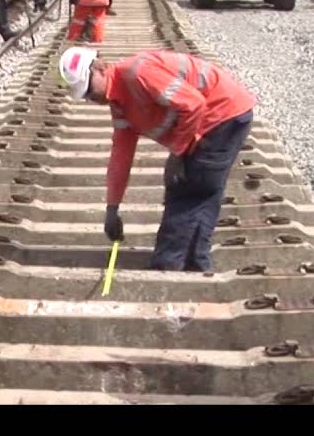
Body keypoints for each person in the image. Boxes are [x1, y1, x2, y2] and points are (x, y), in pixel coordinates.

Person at [58, 46, 256, 272]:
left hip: (222, 115)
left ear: (100, 68)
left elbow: (194, 105)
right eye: (84, 95)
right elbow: (120, 157)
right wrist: (112, 209)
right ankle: (193, 267)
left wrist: (178, 151)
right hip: (212, 120)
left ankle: (171, 266)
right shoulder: (120, 104)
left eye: (88, 90)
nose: (89, 98)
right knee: (199, 192)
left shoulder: (139, 73)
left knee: (189, 187)